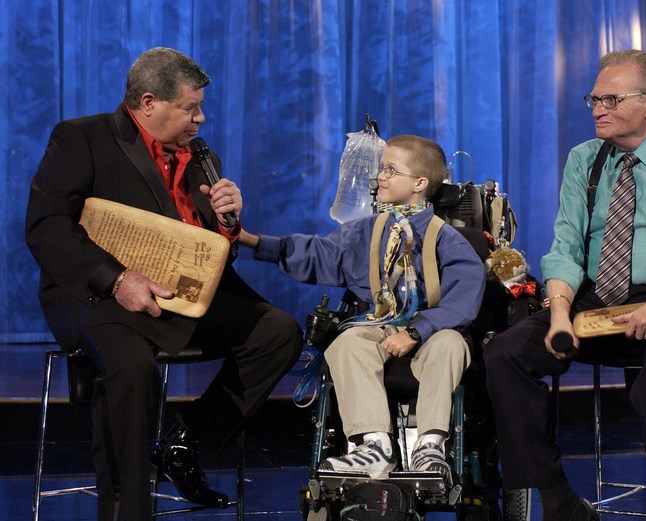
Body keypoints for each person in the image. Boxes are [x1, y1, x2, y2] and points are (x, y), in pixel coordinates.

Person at [25, 47, 303, 519]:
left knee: (278, 333)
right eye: (190, 108)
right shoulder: (82, 138)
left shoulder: (201, 156)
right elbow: (46, 226)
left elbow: (210, 252)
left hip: (179, 295)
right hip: (101, 294)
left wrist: (227, 225)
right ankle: (126, 510)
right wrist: (116, 280)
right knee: (132, 368)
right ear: (149, 102)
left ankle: (183, 441)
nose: (200, 118)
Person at [484, 50, 646, 521]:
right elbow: (566, 247)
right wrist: (558, 315)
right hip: (593, 297)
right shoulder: (584, 160)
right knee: (504, 354)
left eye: (611, 98)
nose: (598, 108)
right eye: (594, 99)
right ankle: (559, 499)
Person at [239, 135, 486, 480]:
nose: (380, 177)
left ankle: (429, 446)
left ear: (419, 183)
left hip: (432, 331)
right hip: (380, 324)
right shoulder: (365, 233)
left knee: (450, 345)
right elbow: (317, 254)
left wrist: (416, 331)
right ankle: (373, 446)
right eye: (381, 168)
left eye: (390, 170)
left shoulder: (446, 239)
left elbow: (463, 300)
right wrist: (251, 241)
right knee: (347, 343)